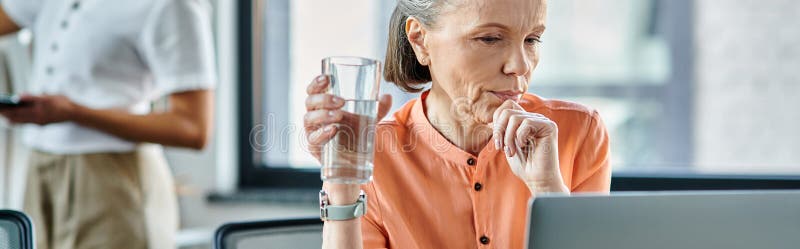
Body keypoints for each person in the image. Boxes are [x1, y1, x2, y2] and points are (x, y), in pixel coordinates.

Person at [304, 0, 611, 248]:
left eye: (532, 39)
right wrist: (341, 186)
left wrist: (547, 190)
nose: (520, 66)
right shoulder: (372, 155)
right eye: (489, 38)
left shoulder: (579, 133)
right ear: (421, 41)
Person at [0, 0, 216, 248]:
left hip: (112, 179)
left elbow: (193, 128)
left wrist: (75, 112)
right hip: (41, 170)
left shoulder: (172, 5)